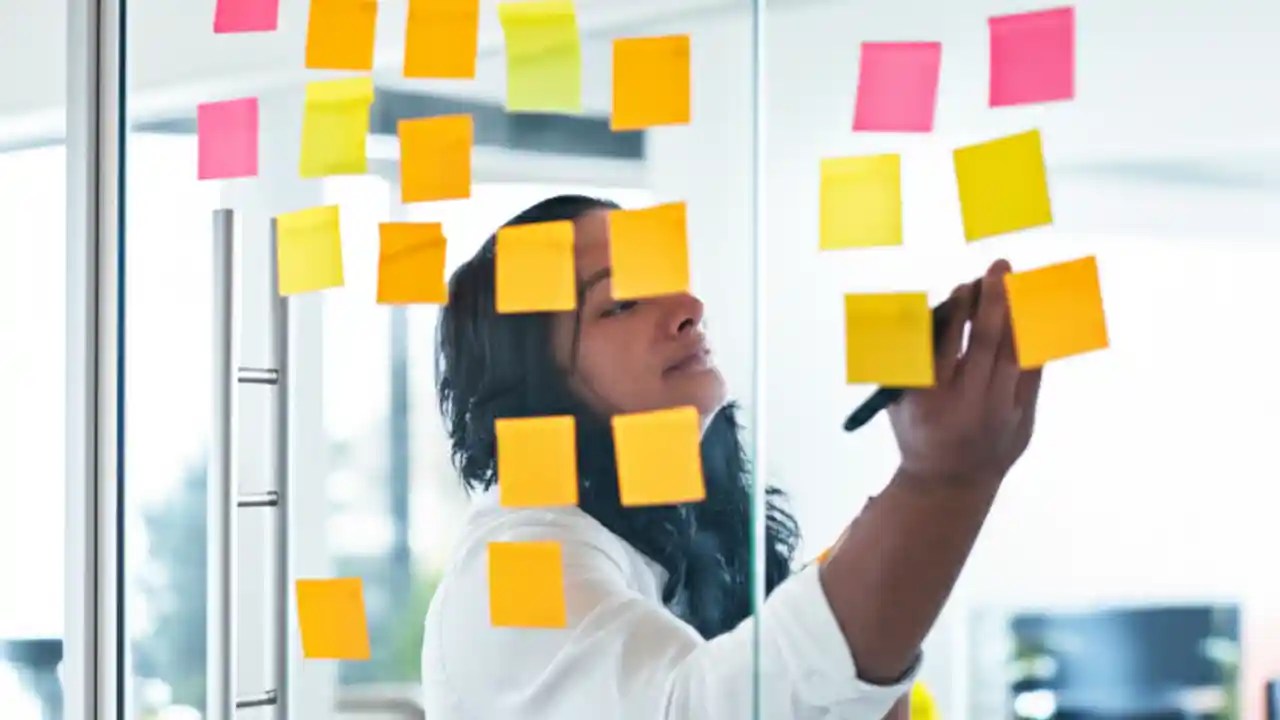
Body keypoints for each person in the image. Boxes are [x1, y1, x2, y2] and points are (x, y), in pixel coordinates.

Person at [421, 194, 1042, 719]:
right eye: (620, 303)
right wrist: (941, 480)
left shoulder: (677, 544)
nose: (688, 308)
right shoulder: (512, 567)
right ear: (536, 387)